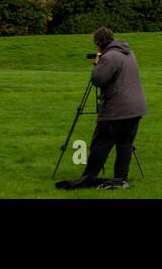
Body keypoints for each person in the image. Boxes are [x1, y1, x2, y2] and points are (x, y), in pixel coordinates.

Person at [56, 27, 148, 190]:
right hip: (136, 108)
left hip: (117, 109)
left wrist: (96, 63)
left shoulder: (109, 57)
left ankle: (89, 177)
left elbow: (98, 79)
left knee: (100, 143)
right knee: (125, 145)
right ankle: (121, 179)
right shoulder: (128, 52)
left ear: (98, 43)